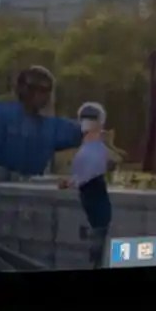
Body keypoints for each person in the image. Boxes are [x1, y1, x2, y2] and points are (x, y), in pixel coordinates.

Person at [0, 66, 87, 179]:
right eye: (34, 89)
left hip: (26, 190)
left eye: (44, 91)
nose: (39, 95)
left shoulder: (50, 126)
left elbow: (82, 132)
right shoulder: (3, 115)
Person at [60, 103, 112, 268]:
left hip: (95, 195)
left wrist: (73, 181)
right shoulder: (87, 149)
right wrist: (71, 181)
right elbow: (82, 173)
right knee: (96, 235)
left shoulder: (98, 149)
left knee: (98, 235)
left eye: (91, 119)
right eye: (85, 118)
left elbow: (88, 174)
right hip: (90, 196)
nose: (86, 122)